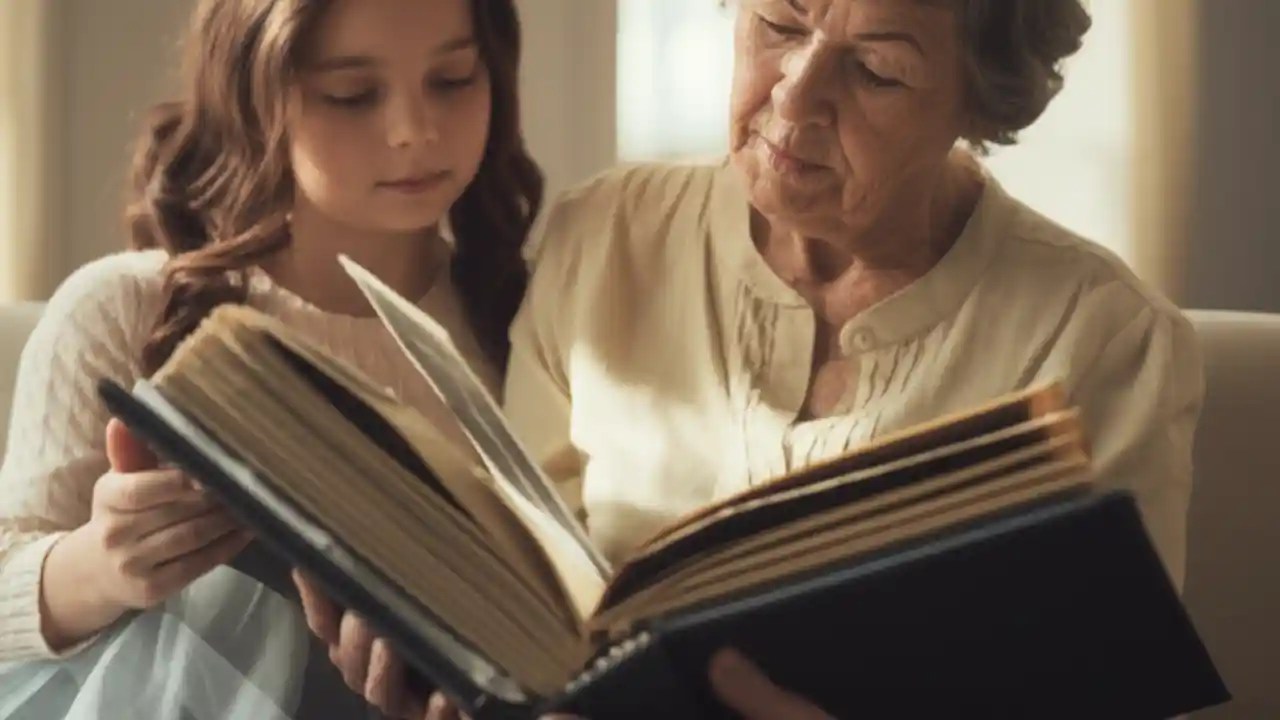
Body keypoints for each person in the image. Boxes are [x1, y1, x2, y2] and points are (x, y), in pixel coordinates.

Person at [310, 0, 1206, 717]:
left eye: (876, 69)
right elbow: (527, 597)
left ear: (980, 101)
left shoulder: (1102, 339)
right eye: (778, 24)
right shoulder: (606, 237)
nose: (795, 95)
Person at [0, 0, 541, 716]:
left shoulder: (527, 321)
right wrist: (101, 565)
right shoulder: (126, 309)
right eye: (351, 94)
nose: (415, 131)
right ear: (253, 94)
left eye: (452, 79)